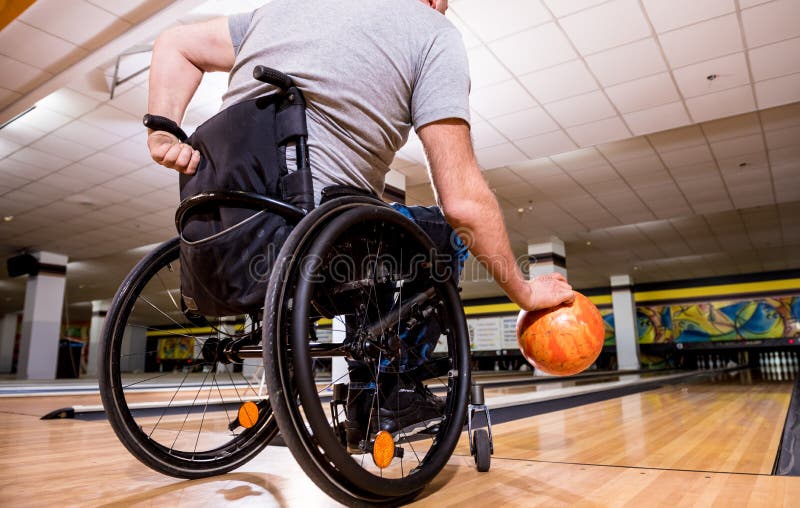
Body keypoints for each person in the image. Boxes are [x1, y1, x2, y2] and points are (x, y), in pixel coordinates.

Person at [145, 0, 574, 444]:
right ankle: (392, 392)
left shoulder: (279, 12)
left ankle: (361, 386)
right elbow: (463, 204)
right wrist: (523, 292)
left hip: (231, 232)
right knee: (444, 233)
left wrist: (162, 127)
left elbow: (175, 42)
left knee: (373, 238)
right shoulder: (430, 32)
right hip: (320, 228)